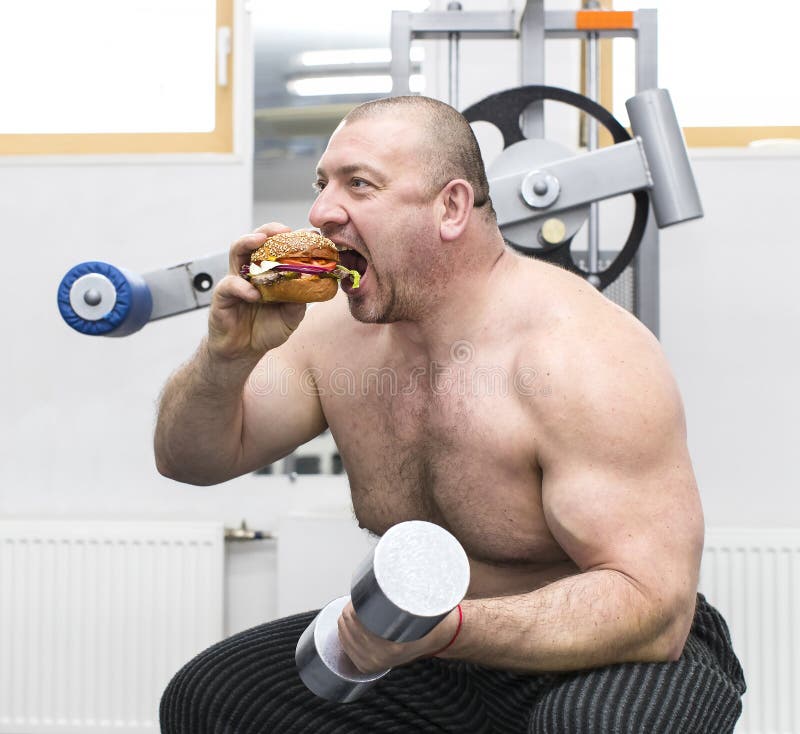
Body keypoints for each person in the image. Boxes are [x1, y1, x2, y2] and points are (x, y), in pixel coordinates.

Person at [154, 95, 745, 733]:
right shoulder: (330, 337)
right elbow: (190, 459)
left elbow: (652, 609)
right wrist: (224, 360)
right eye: (322, 184)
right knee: (211, 699)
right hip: (433, 643)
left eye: (360, 185)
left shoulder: (583, 354)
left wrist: (446, 628)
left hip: (606, 652)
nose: (322, 212)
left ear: (451, 207)